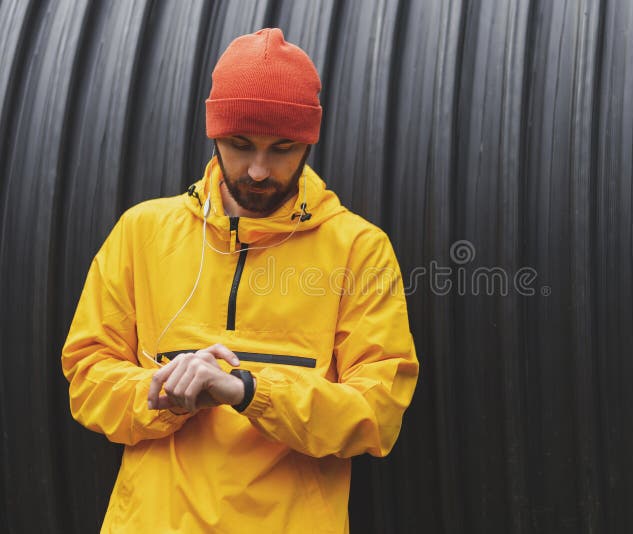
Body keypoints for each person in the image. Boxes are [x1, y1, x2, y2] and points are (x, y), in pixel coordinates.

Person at [62, 28, 418, 533]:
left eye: (283, 147)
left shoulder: (359, 249)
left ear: (309, 142)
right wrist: (163, 391)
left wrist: (248, 391)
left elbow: (376, 413)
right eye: (239, 143)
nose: (257, 170)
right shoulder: (142, 232)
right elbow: (86, 375)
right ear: (213, 134)